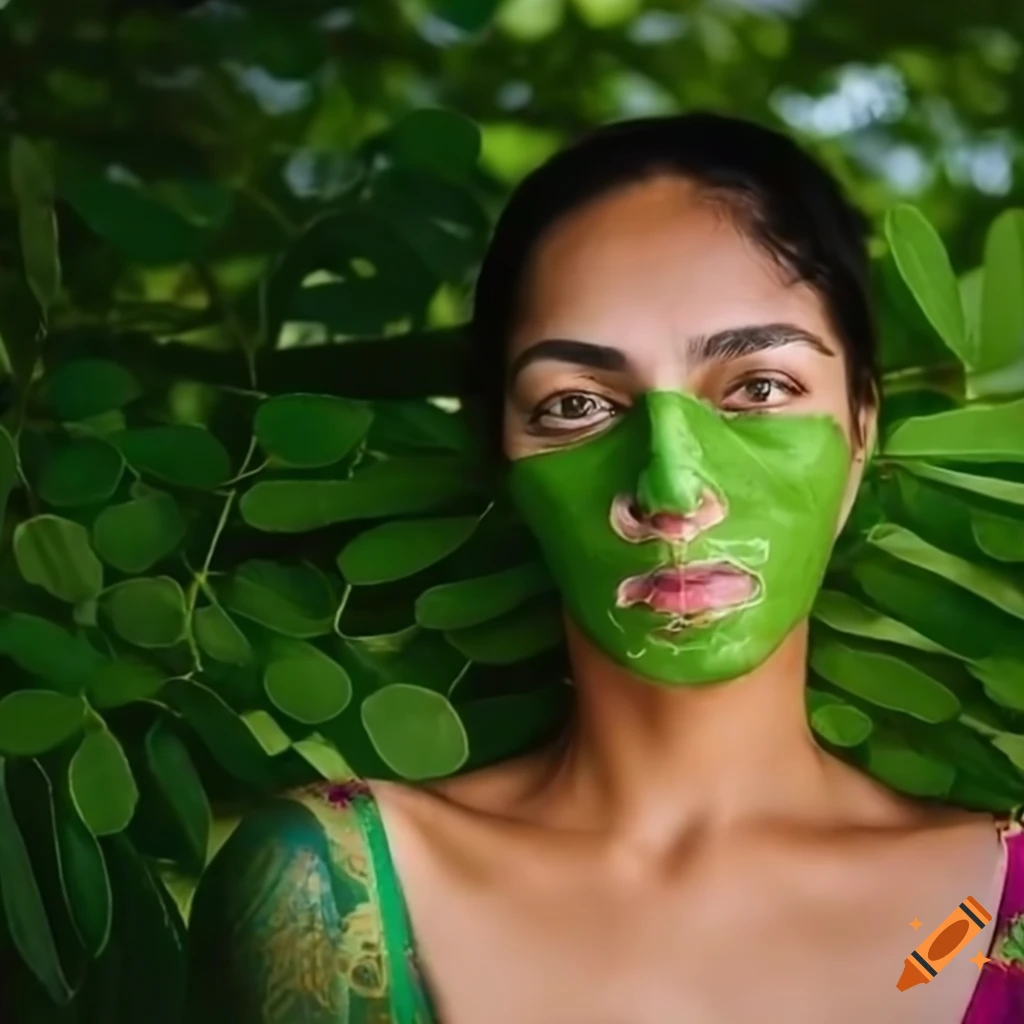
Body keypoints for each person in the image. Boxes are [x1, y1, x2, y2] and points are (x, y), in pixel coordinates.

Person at [185, 112, 1024, 1024]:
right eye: (578, 404)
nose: (671, 489)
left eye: (759, 389)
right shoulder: (326, 889)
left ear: (862, 430)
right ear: (503, 459)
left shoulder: (998, 905)